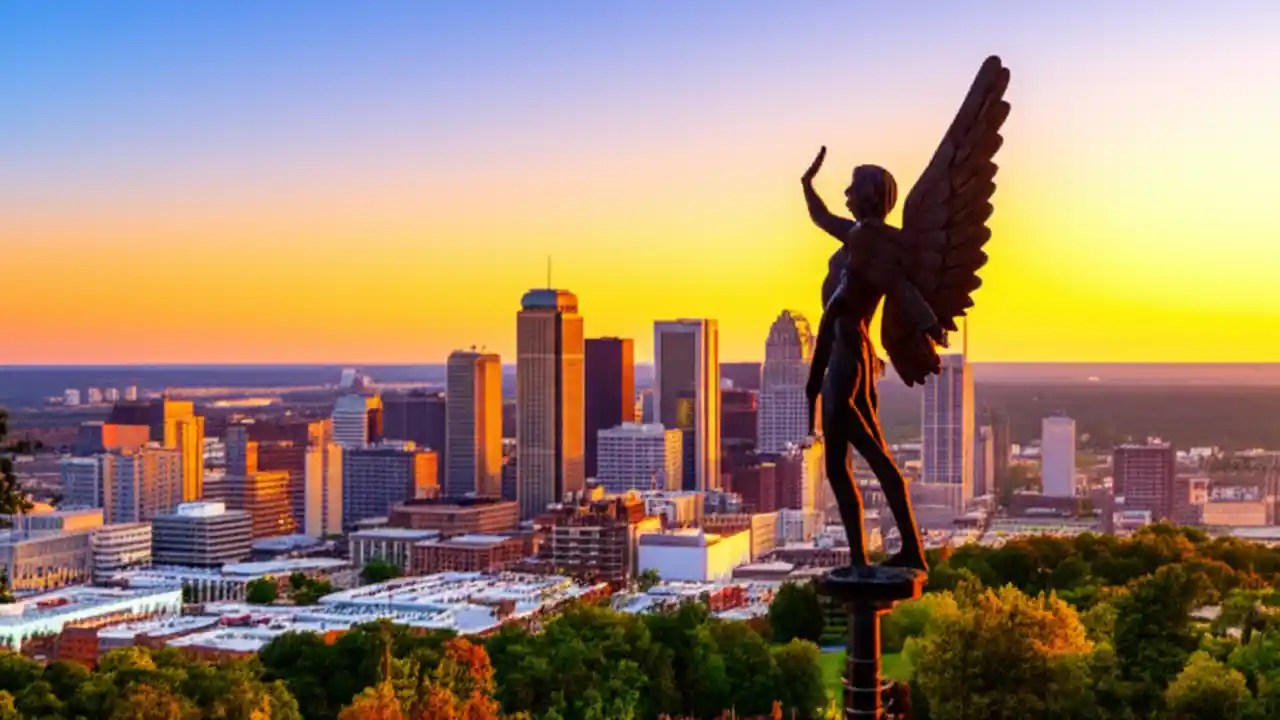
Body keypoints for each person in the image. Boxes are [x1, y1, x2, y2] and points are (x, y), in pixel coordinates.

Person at [800, 146, 943, 570]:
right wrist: (807, 186)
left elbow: (899, 287)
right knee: (844, 465)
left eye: (851, 188)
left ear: (866, 196)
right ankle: (869, 558)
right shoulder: (864, 236)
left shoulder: (868, 241)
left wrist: (928, 324)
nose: (844, 194)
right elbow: (823, 219)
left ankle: (894, 554)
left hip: (848, 360)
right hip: (849, 355)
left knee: (868, 460)